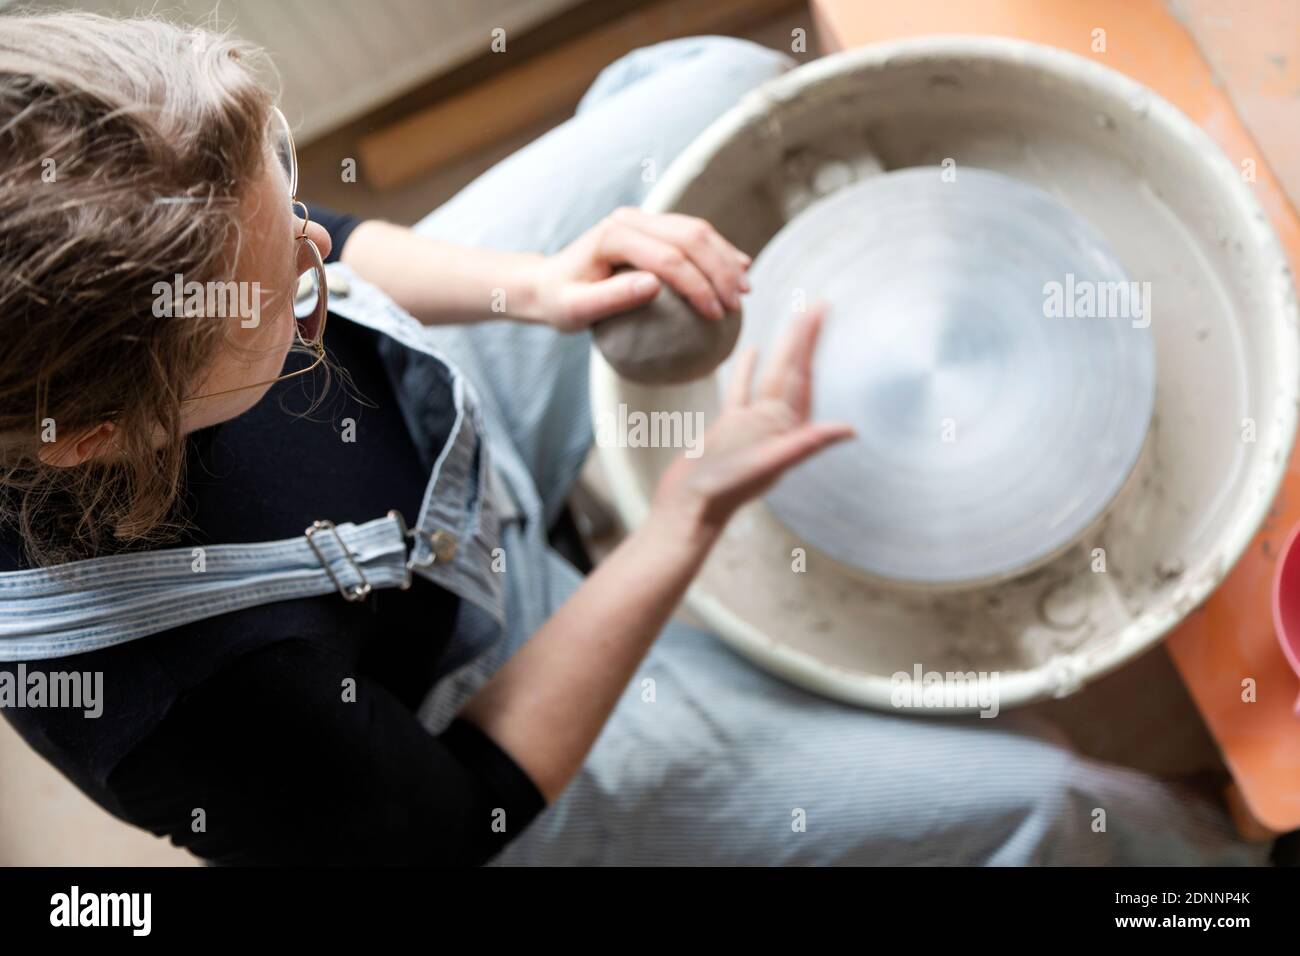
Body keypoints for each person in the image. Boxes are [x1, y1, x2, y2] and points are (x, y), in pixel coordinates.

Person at [0, 12, 1263, 866]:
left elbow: (298, 232)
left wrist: (535, 286)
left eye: (286, 205)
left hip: (428, 445)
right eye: (286, 294)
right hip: (472, 705)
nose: (324, 248)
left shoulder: (117, 209)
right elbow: (460, 818)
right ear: (100, 432)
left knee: (708, 89)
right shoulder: (184, 700)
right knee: (1042, 805)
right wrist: (684, 519)